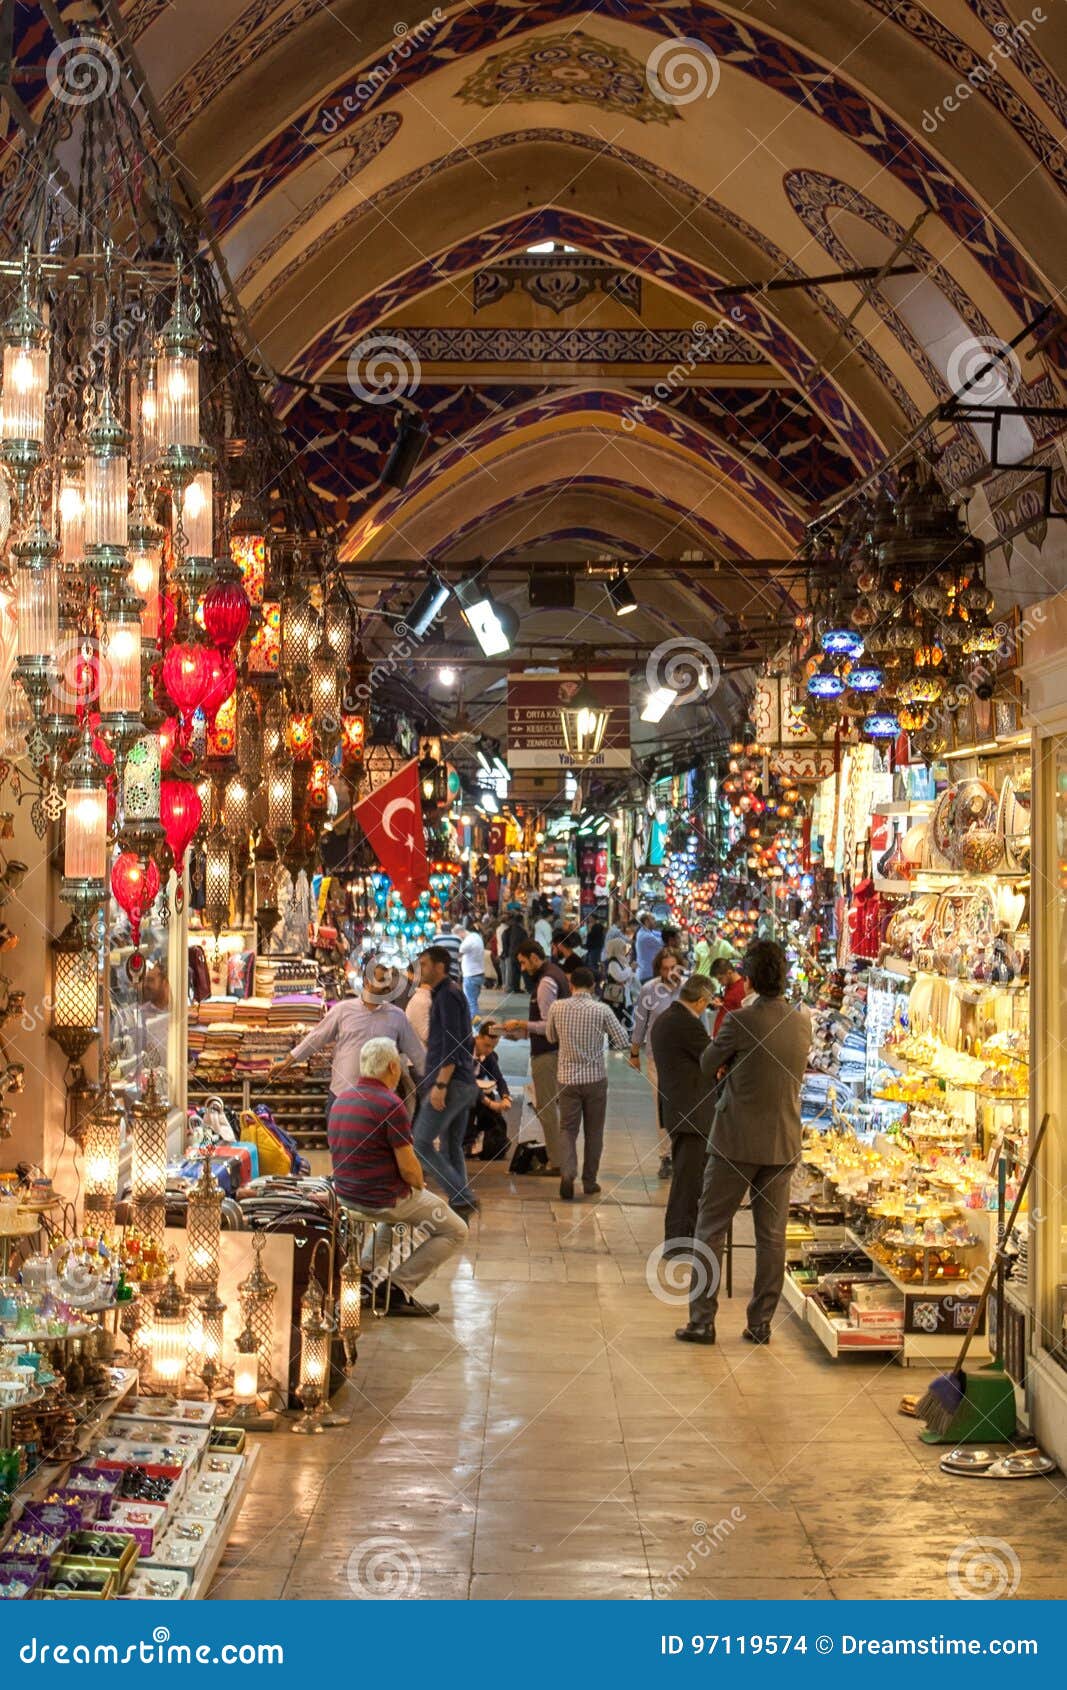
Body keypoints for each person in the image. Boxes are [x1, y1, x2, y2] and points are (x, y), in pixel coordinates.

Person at [676, 940, 813, 1347]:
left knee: (711, 1229)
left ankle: (702, 1320)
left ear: (749, 977)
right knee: (771, 1237)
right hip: (782, 1142)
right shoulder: (801, 1022)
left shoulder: (738, 1021)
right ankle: (761, 1323)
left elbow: (706, 1065)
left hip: (735, 1140)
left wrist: (731, 1065)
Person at [330, 1036, 467, 1318]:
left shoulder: (343, 1098)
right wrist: (418, 1184)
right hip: (378, 1197)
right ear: (393, 1067)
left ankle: (367, 1275)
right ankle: (399, 1286)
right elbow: (409, 1169)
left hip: (345, 1193)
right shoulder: (390, 1104)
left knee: (396, 1217)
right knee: (454, 1229)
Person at [272, 962, 424, 1117]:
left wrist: (437, 1084)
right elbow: (316, 1038)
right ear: (366, 982)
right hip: (342, 1096)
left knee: (376, 1142)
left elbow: (417, 1054)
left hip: (380, 1103)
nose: (387, 986)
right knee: (339, 1141)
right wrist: (287, 1062)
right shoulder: (343, 1010)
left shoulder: (397, 1016)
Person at [546, 967, 628, 1200]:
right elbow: (622, 1040)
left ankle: (568, 1172)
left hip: (566, 1078)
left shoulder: (557, 1007)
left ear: (571, 984)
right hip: (594, 1079)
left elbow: (551, 1038)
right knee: (594, 1132)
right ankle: (589, 1180)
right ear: (593, 986)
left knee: (568, 1130)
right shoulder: (602, 1009)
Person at [412, 946, 480, 1218]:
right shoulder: (445, 994)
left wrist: (440, 1085)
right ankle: (460, 1204)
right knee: (451, 1145)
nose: (422, 969)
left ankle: (462, 1196)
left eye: (425, 964)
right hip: (460, 1081)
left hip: (451, 1083)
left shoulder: (447, 995)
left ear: (440, 966)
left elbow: (452, 1044)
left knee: (421, 1144)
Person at [651, 975, 717, 1249]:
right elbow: (712, 1057)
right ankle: (678, 1242)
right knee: (688, 1183)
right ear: (701, 1000)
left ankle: (682, 1238)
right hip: (692, 1114)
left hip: (680, 1111)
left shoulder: (666, 1018)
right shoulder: (687, 1024)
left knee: (687, 1180)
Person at [502, 939, 572, 1172]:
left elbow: (547, 1026)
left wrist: (522, 1024)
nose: (522, 969)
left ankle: (557, 1161)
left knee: (546, 1106)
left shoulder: (546, 981)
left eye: (523, 962)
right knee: (547, 1105)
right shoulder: (555, 973)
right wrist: (520, 1033)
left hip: (547, 1054)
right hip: (552, 1050)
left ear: (534, 957)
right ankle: (559, 1156)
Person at [629, 947, 684, 1179]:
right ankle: (666, 1157)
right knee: (663, 1106)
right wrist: (634, 1053)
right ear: (658, 969)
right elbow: (640, 1023)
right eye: (665, 968)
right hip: (657, 1058)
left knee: (683, 1107)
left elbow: (699, 1021)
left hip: (685, 1059)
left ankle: (683, 1155)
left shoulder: (688, 989)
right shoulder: (649, 990)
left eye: (673, 967)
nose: (670, 972)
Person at [466, 1020, 512, 1161]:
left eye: (494, 1046)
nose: (489, 1050)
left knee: (490, 1105)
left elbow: (498, 1078)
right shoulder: (465, 1050)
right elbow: (467, 1083)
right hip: (460, 1091)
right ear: (478, 1037)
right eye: (486, 1045)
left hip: (476, 1091)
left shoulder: (489, 1056)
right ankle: (467, 1139)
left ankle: (488, 1143)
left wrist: (505, 1096)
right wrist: (490, 1103)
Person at [601, 934, 635, 1030]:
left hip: (625, 999)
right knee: (618, 1024)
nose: (625, 950)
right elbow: (620, 977)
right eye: (623, 948)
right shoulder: (613, 963)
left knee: (627, 1024)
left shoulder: (622, 961)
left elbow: (627, 979)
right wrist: (630, 969)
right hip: (617, 999)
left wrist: (630, 971)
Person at [710, 955, 748, 1035]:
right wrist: (719, 998)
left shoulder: (742, 989)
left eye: (720, 979)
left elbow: (743, 1019)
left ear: (729, 973)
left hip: (729, 1038)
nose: (719, 982)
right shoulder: (728, 985)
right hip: (722, 1037)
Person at [456, 921, 486, 1019]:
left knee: (471, 1004)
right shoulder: (477, 937)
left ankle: (476, 1028)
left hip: (471, 975)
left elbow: (458, 953)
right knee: (473, 1002)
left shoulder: (468, 941)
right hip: (479, 974)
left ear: (460, 932)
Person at [634, 913, 663, 983]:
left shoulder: (648, 932)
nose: (655, 921)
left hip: (649, 973)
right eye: (652, 919)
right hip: (647, 974)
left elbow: (658, 934)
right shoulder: (645, 936)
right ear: (646, 922)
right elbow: (662, 943)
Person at [584, 912, 606, 980]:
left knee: (593, 963)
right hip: (593, 947)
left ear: (594, 919)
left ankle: (595, 977)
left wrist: (589, 928)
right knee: (591, 962)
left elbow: (591, 935)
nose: (589, 919)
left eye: (590, 918)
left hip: (595, 948)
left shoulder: (597, 926)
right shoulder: (597, 926)